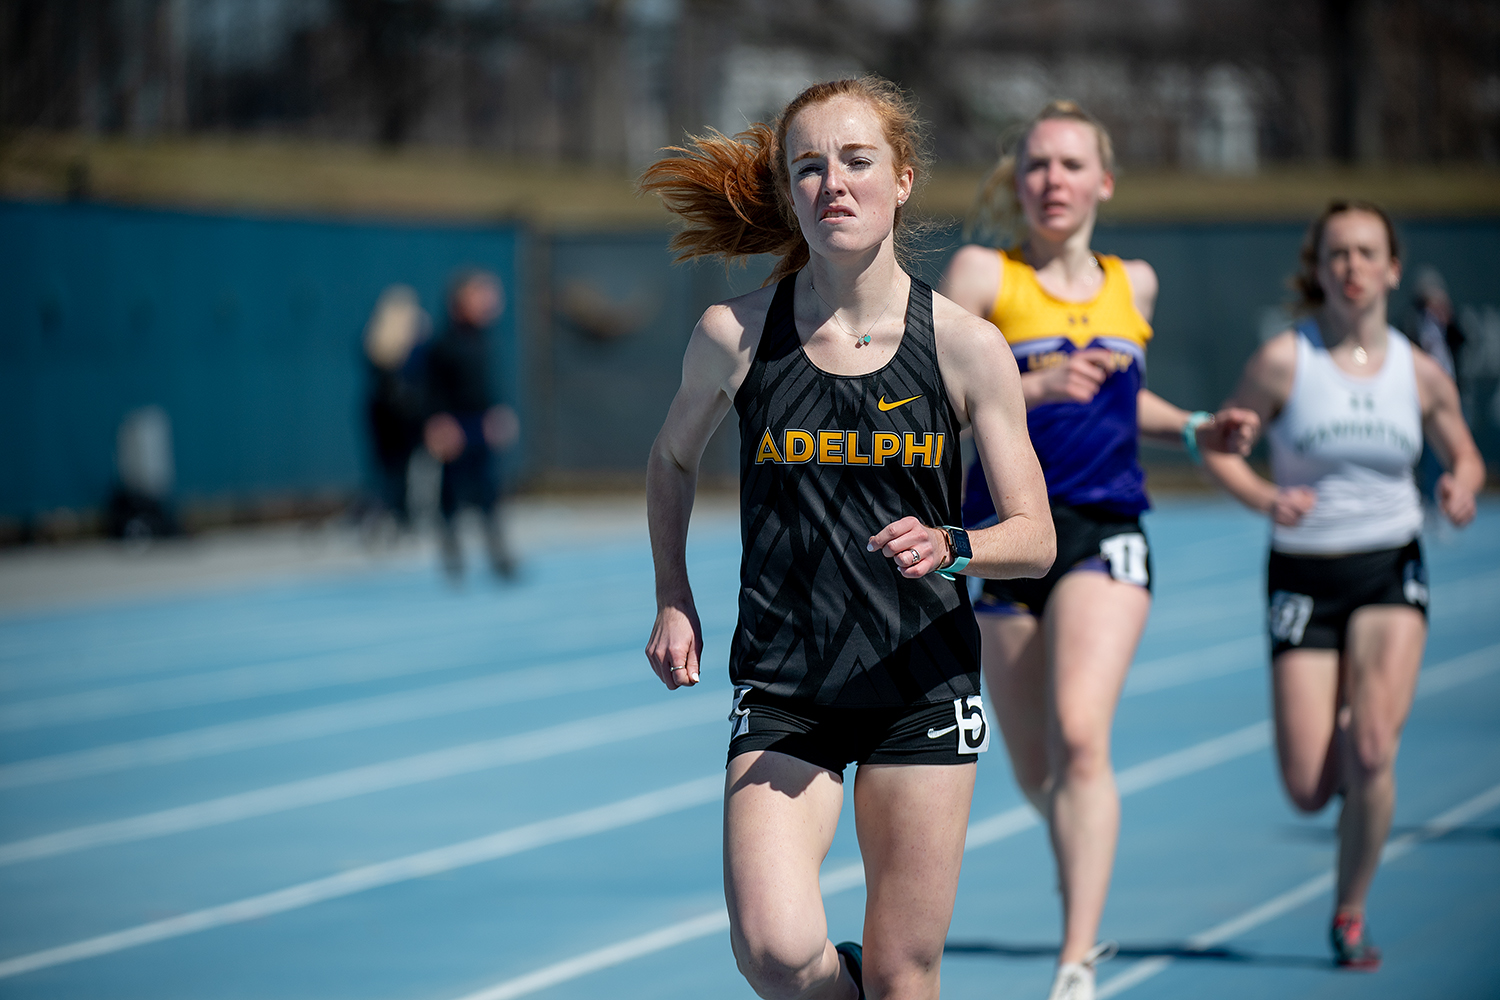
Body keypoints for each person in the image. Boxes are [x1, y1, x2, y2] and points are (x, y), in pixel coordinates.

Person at [640, 76, 1055, 1000]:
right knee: (776, 951)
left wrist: (954, 544)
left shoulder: (964, 344)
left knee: (907, 976)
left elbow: (1035, 537)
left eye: (857, 161)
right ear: (789, 193)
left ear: (902, 179)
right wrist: (674, 595)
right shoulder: (735, 335)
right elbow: (670, 462)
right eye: (810, 167)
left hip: (922, 680)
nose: (834, 183)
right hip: (789, 683)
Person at [938, 100, 1257, 1000]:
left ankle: (1076, 962)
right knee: (1036, 767)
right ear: (1018, 180)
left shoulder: (1135, 285)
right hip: (1005, 535)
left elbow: (1125, 404)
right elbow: (929, 397)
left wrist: (1197, 427)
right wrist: (1033, 383)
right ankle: (1077, 844)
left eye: (1072, 165)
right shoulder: (983, 275)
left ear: (1103, 182)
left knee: (1083, 736)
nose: (1053, 181)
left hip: (1106, 528)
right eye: (1037, 165)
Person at [1201, 200, 1484, 969]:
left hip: (1390, 563)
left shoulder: (1418, 371)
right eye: (1338, 254)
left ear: (1392, 268)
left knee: (1370, 747)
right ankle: (1353, 788)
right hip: (1301, 571)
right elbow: (1220, 447)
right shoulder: (1284, 361)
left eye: (1367, 253)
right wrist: (1266, 496)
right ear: (1318, 268)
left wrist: (1460, 484)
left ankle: (1349, 911)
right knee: (1307, 784)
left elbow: (1465, 453)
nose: (1352, 268)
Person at [424, 268, 520, 581]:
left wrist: (498, 414)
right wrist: (439, 423)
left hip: (480, 424)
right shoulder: (443, 343)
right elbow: (431, 390)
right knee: (451, 494)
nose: (489, 303)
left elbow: (489, 386)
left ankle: (499, 556)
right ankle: (453, 560)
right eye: (480, 295)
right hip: (454, 426)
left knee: (489, 491)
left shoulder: (485, 341)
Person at [363, 284, 429, 531]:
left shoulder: (375, 339)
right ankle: (401, 516)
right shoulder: (412, 342)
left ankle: (385, 512)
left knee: (385, 468)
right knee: (405, 469)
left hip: (381, 414)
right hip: (403, 416)